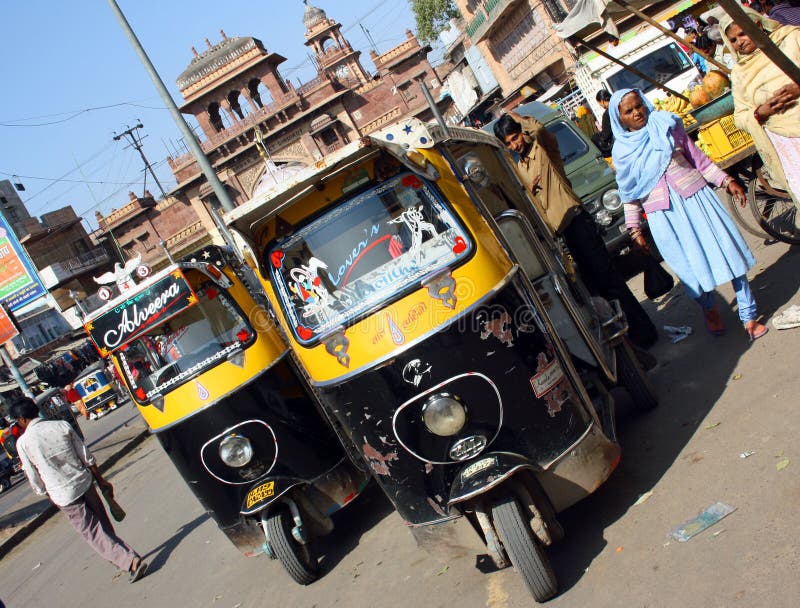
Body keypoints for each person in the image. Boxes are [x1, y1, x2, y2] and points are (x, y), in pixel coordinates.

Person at [609, 89, 769, 341]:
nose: (637, 112)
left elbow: (698, 159)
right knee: (688, 270)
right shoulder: (622, 152)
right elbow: (629, 195)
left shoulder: (666, 125)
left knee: (729, 251)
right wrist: (635, 230)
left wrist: (726, 181)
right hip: (664, 218)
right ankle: (709, 308)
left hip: (698, 200)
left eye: (638, 106)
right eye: (629, 111)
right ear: (619, 119)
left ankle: (748, 316)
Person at [493, 112, 658, 348]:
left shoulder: (542, 148)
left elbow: (538, 129)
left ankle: (645, 334)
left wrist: (515, 116)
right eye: (508, 143)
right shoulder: (520, 167)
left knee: (609, 279)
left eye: (515, 137)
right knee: (594, 289)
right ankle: (628, 339)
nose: (514, 145)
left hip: (577, 222)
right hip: (561, 234)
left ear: (521, 132)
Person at [11, 397, 148, 583]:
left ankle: (130, 562)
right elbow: (86, 456)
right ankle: (122, 559)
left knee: (93, 532)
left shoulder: (23, 443)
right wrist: (100, 479)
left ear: (22, 419)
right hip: (84, 481)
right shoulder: (61, 425)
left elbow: (33, 477)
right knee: (103, 525)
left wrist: (45, 493)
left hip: (63, 494)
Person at [721, 7, 800, 205]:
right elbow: (740, 117)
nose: (740, 42)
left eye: (742, 33)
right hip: (786, 143)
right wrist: (759, 113)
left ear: (756, 25)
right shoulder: (739, 73)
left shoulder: (790, 39)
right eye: (733, 40)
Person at [592, 89, 614, 156]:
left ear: (602, 101)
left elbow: (606, 135)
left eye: (600, 104)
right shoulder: (619, 104)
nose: (601, 106)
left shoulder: (607, 114)